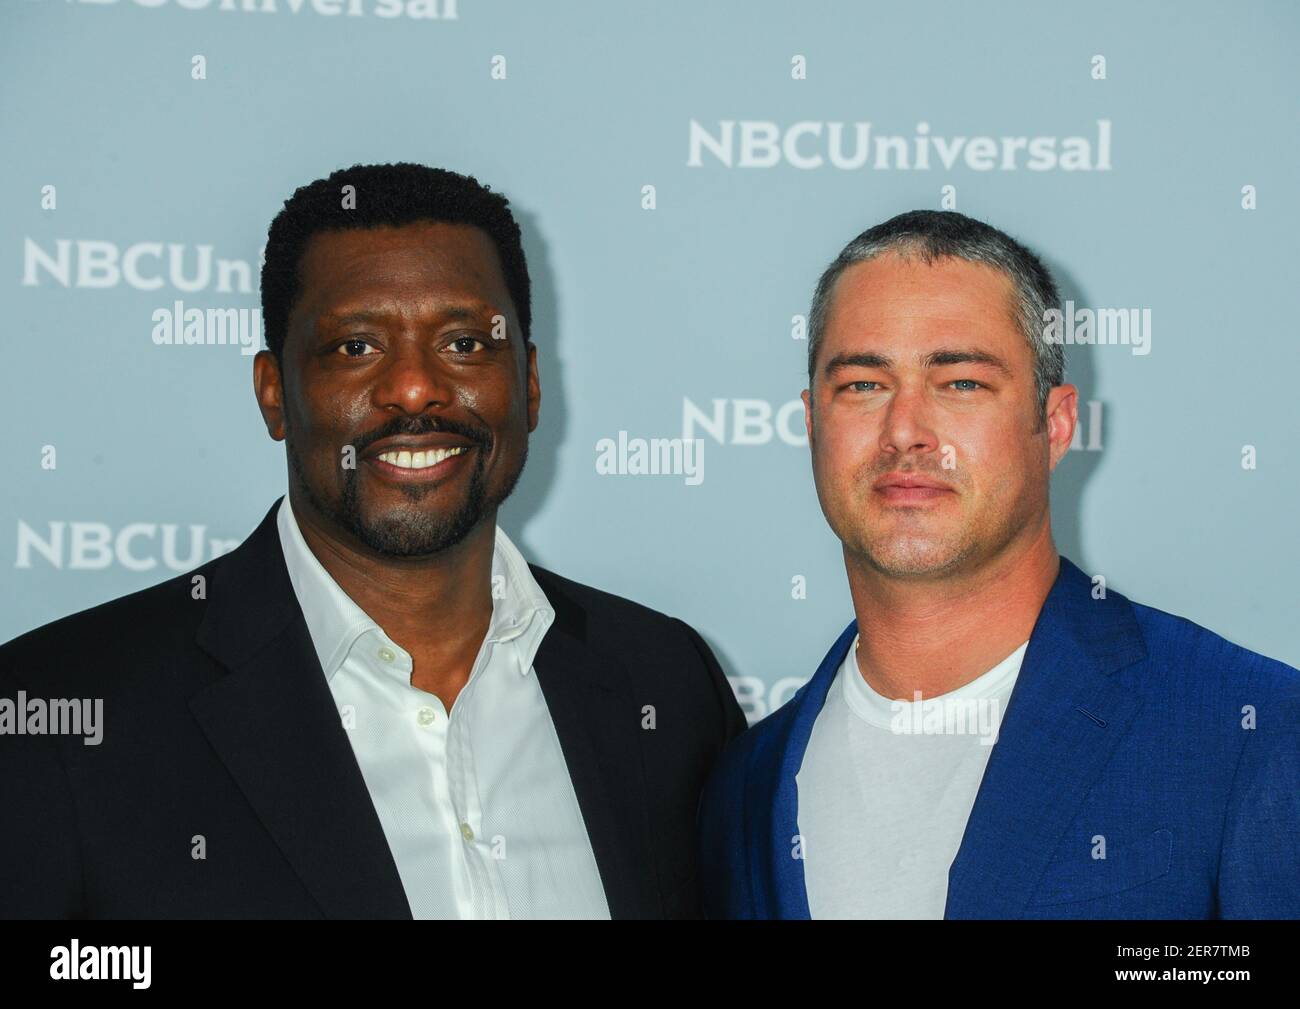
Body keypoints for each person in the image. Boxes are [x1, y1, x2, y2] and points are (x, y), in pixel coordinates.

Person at [0, 162, 746, 919]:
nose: (415, 388)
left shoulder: (665, 686)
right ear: (273, 393)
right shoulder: (63, 720)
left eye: (464, 343)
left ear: (528, 384)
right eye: (355, 348)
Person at [697, 210, 1300, 919]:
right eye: (862, 384)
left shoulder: (1249, 730)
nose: (905, 432)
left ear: (1058, 424)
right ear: (811, 423)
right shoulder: (746, 784)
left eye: (961, 384)